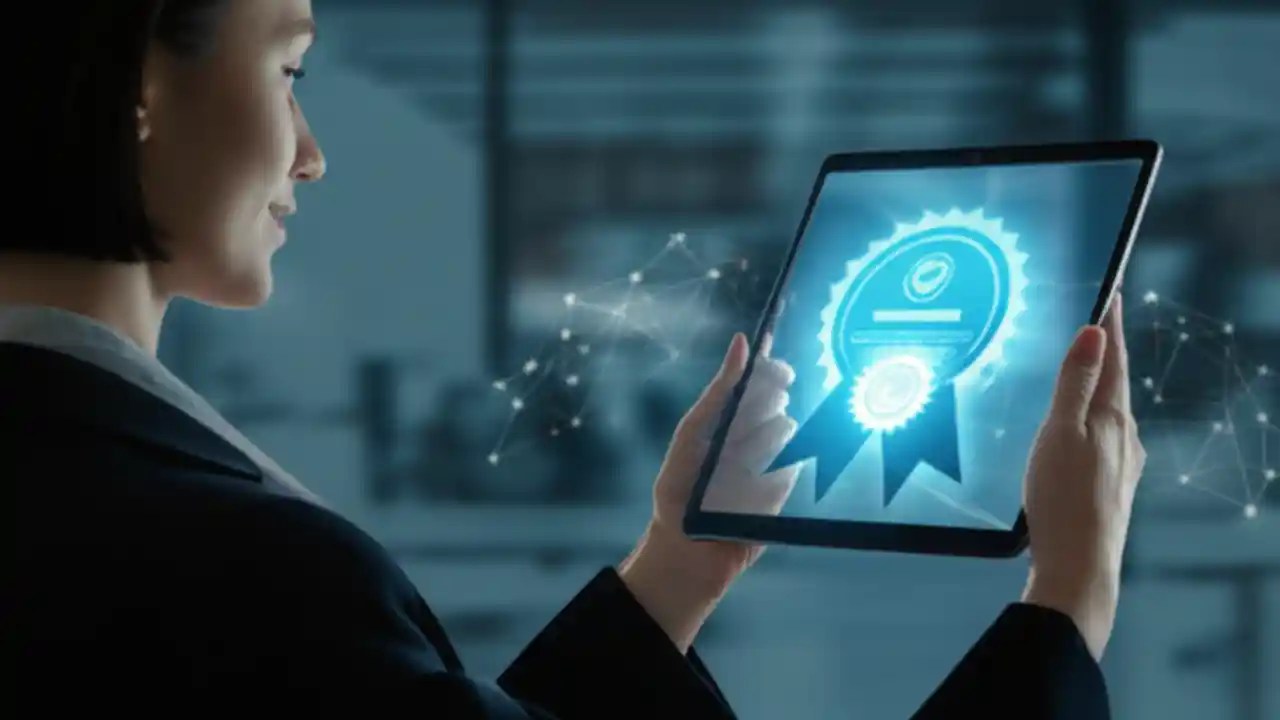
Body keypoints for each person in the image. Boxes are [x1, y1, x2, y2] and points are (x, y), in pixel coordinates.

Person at [3, 1, 1146, 716]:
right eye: (290, 70)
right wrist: (1068, 601)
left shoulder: (83, 495)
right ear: (144, 81)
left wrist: (675, 569)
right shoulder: (248, 571)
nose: (310, 156)